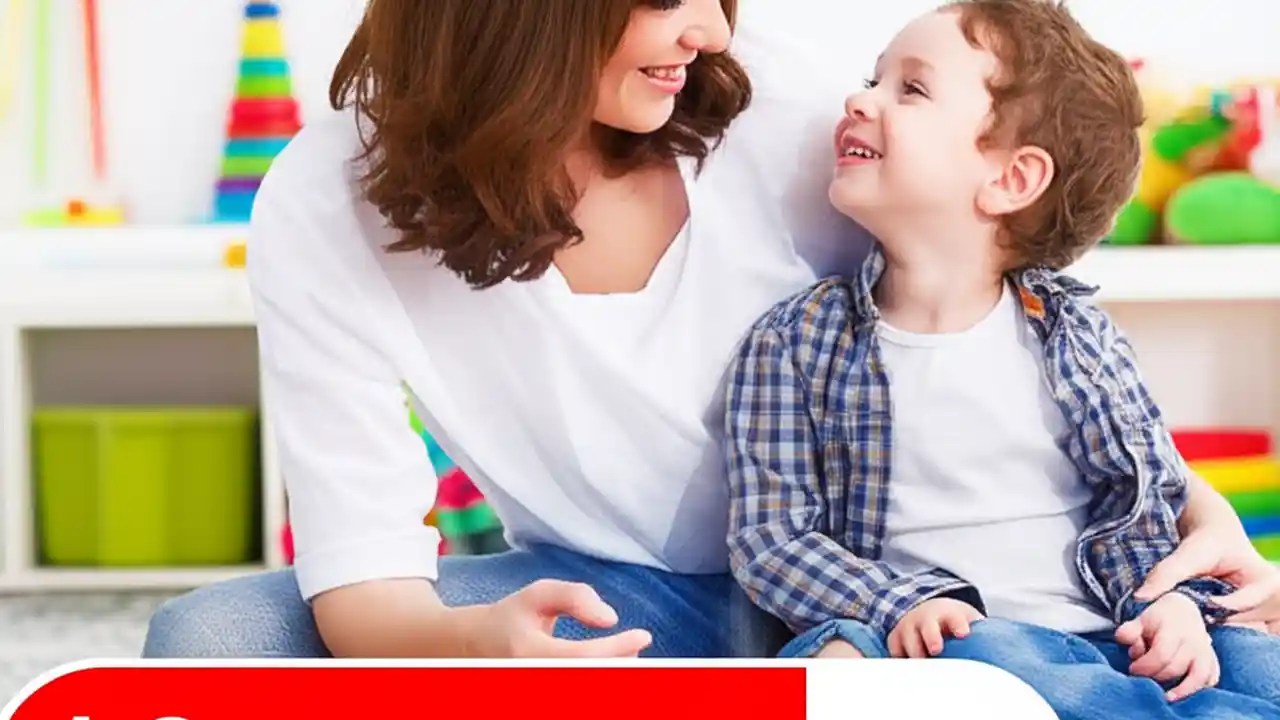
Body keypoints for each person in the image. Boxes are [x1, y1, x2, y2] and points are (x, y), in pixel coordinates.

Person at [143, 0, 1280, 660]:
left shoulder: (795, 115)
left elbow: (1012, 318)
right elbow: (362, 583)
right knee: (213, 641)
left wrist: (1191, 507)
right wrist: (482, 644)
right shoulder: (322, 200)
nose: (705, 25)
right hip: (617, 600)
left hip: (882, 593)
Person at [724, 0, 1280, 716]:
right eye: (874, 78)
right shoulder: (797, 341)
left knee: (1253, 661)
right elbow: (773, 540)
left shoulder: (1077, 335)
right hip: (947, 640)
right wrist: (900, 603)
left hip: (1106, 629)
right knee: (981, 667)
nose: (859, 98)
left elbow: (1141, 494)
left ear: (1012, 180)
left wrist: (1174, 604)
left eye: (911, 89)